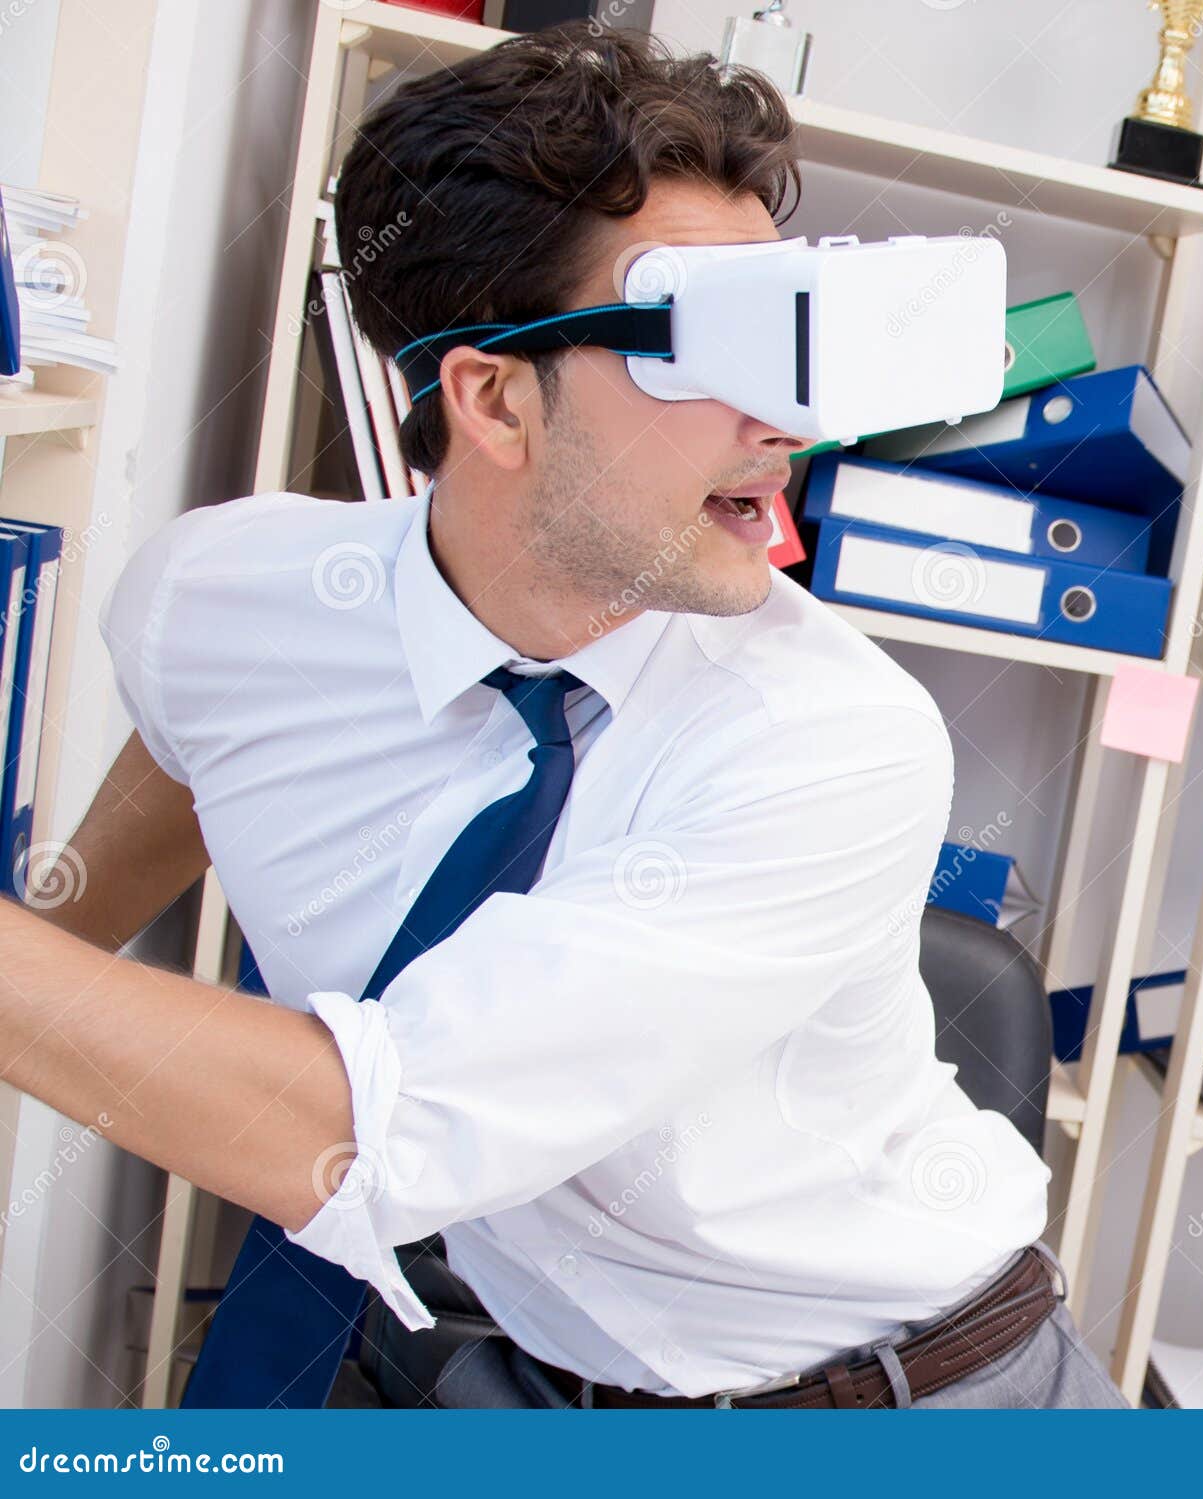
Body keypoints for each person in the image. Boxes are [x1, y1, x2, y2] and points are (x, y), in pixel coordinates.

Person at [3, 24, 1125, 1411]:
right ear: (490, 398)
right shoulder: (220, 595)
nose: (787, 423)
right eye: (713, 344)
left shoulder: (831, 738)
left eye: (794, 339)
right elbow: (191, 747)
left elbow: (369, 1138)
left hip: (921, 1401)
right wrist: (44, 945)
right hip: (564, 1380)